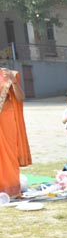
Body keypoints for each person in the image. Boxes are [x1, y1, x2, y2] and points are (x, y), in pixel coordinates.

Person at [0, 67, 31, 197]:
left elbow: (20, 97)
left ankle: (10, 190)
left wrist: (13, 81)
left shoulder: (7, 74)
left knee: (9, 155)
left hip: (6, 119)